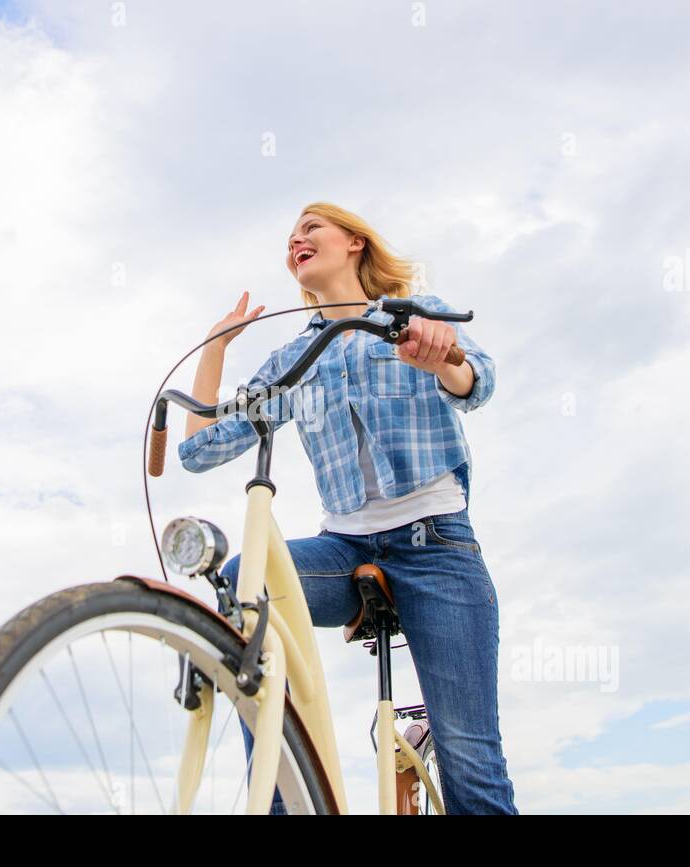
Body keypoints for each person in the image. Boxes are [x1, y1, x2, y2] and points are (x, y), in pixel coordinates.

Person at [177, 202, 518, 815]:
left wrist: (445, 356)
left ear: (355, 242)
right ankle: (283, 797)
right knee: (243, 583)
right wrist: (214, 349)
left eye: (311, 228)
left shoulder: (413, 314)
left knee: (472, 759)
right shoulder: (291, 363)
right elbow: (200, 449)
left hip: (436, 545)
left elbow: (480, 382)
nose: (296, 241)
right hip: (343, 549)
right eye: (290, 238)